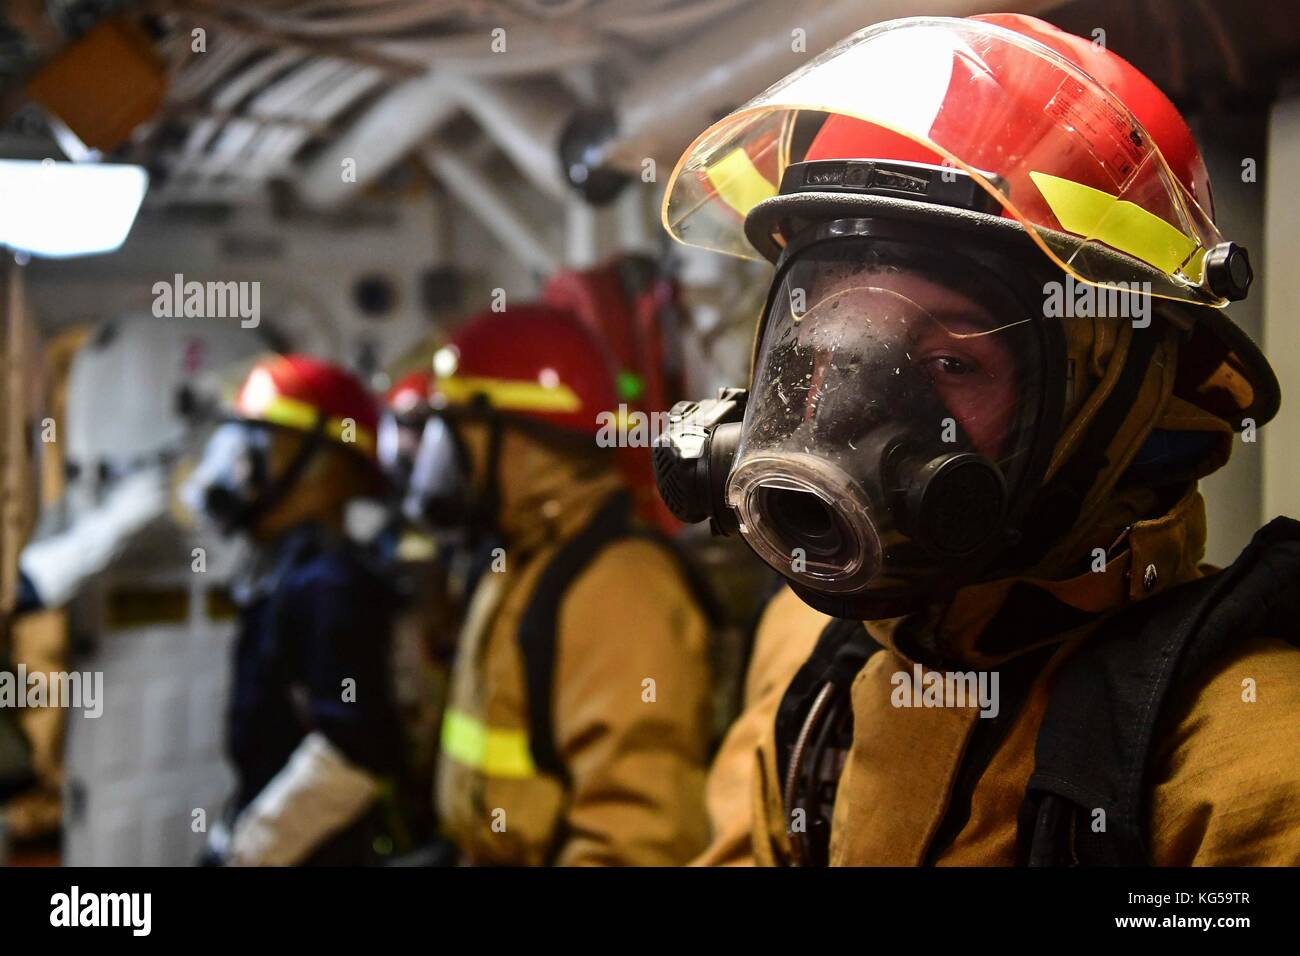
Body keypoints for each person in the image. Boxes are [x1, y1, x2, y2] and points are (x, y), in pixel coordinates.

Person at [655, 13, 1300, 866]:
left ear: (1109, 401)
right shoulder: (821, 680)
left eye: (950, 362)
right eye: (824, 348)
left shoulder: (1240, 759)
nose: (850, 413)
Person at [405, 303, 714, 865]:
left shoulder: (620, 588)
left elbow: (636, 838)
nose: (436, 466)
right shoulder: (519, 561)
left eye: (453, 433)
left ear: (519, 440)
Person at [181, 354, 405, 866]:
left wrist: (245, 855)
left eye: (259, 449)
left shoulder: (329, 584)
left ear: (322, 468)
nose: (237, 470)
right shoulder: (289, 572)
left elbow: (356, 752)